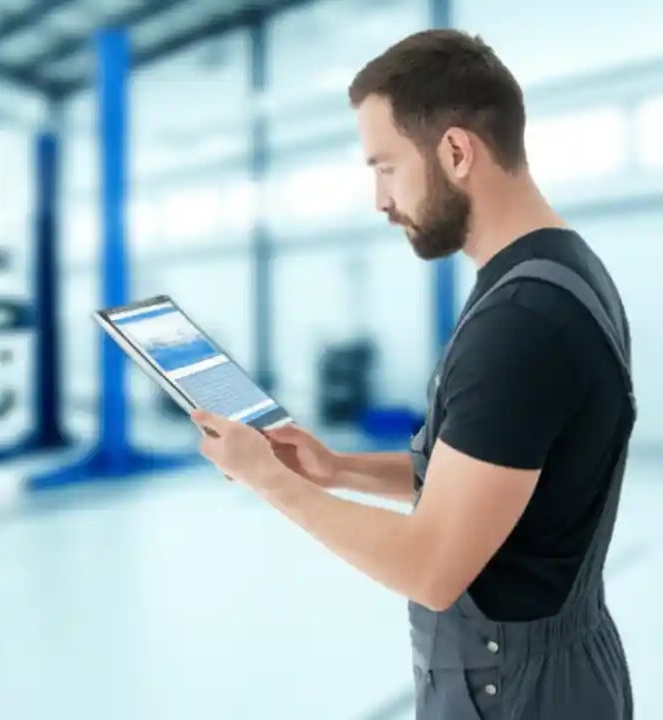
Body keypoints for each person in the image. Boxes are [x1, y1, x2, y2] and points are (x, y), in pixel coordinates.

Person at [191, 29, 635, 719]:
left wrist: (267, 480)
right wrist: (338, 469)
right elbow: (493, 471)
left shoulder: (521, 322)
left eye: (386, 166)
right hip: (559, 672)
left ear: (456, 152)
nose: (379, 198)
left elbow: (432, 568)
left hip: (512, 694)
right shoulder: (562, 272)